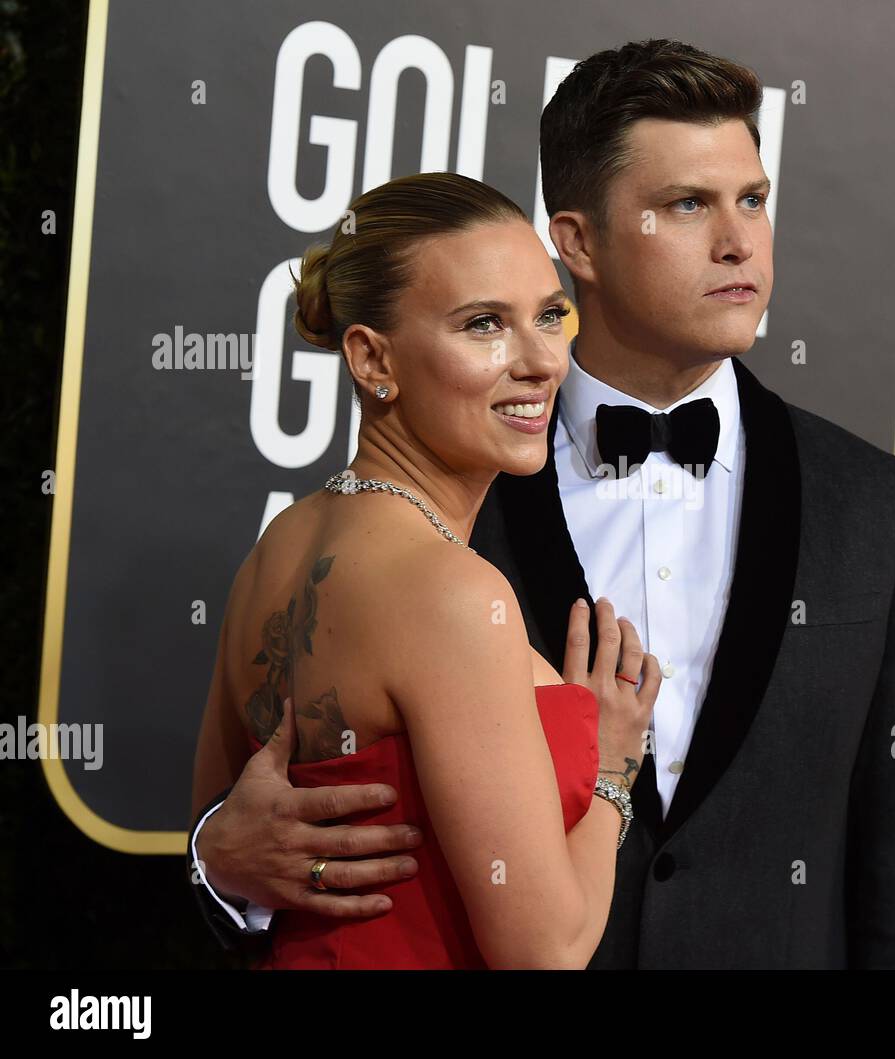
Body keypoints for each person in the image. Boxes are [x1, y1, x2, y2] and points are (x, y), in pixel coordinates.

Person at [190, 39, 895, 969]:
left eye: (753, 199)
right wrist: (215, 863)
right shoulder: (452, 498)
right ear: (578, 242)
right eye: (687, 204)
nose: (739, 241)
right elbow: (249, 805)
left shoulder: (883, 508)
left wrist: (212, 859)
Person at [190, 171, 660, 969]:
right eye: (484, 325)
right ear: (374, 358)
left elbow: (218, 829)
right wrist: (613, 768)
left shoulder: (274, 550)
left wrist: (209, 858)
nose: (542, 361)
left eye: (551, 315)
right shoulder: (451, 590)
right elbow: (545, 953)